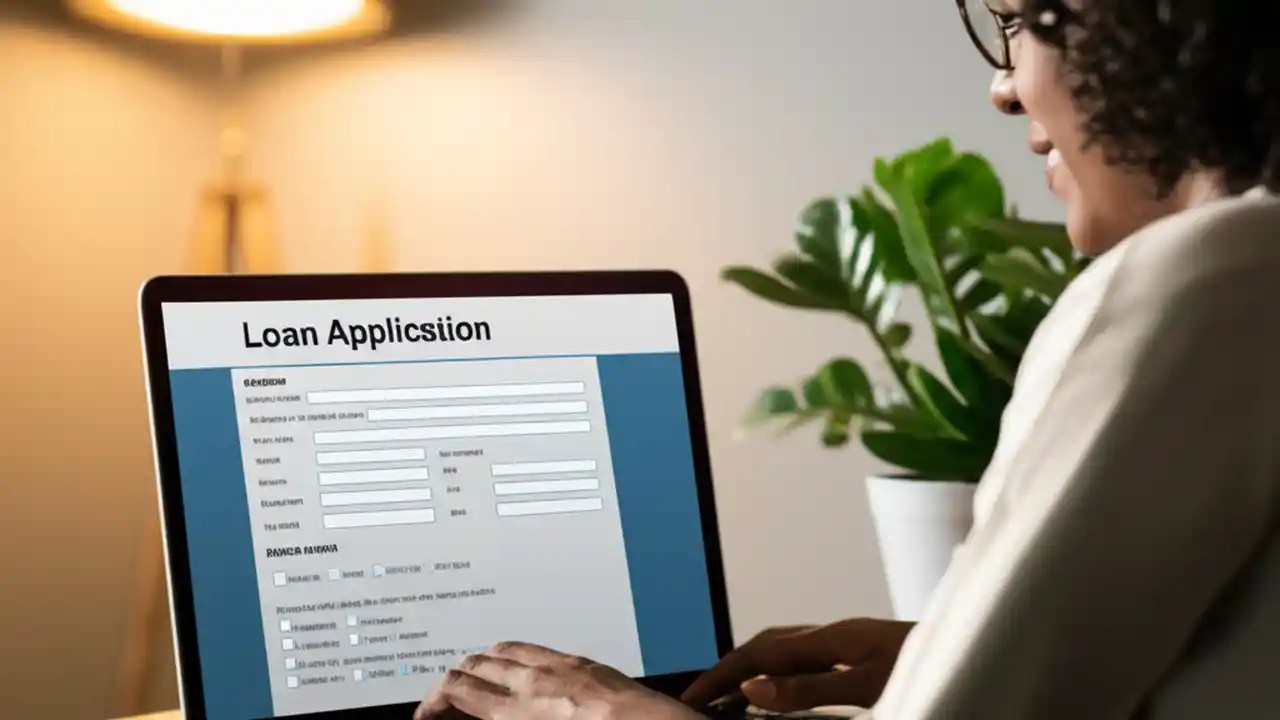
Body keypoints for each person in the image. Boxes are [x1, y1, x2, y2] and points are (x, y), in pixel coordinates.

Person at [416, 0, 1280, 717]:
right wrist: (935, 659)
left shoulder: (1210, 275)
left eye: (1017, 20)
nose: (1003, 88)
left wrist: (600, 711)